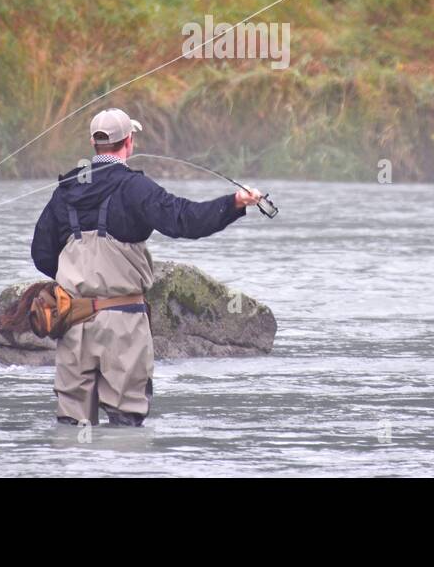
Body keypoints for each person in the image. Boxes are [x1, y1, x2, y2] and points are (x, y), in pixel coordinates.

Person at [30, 107, 262, 426]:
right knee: (126, 424)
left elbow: (42, 254)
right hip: (123, 325)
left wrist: (77, 277)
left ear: (94, 144)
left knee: (72, 427)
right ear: (129, 142)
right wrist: (234, 203)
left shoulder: (66, 189)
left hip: (73, 320)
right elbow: (184, 220)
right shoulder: (135, 188)